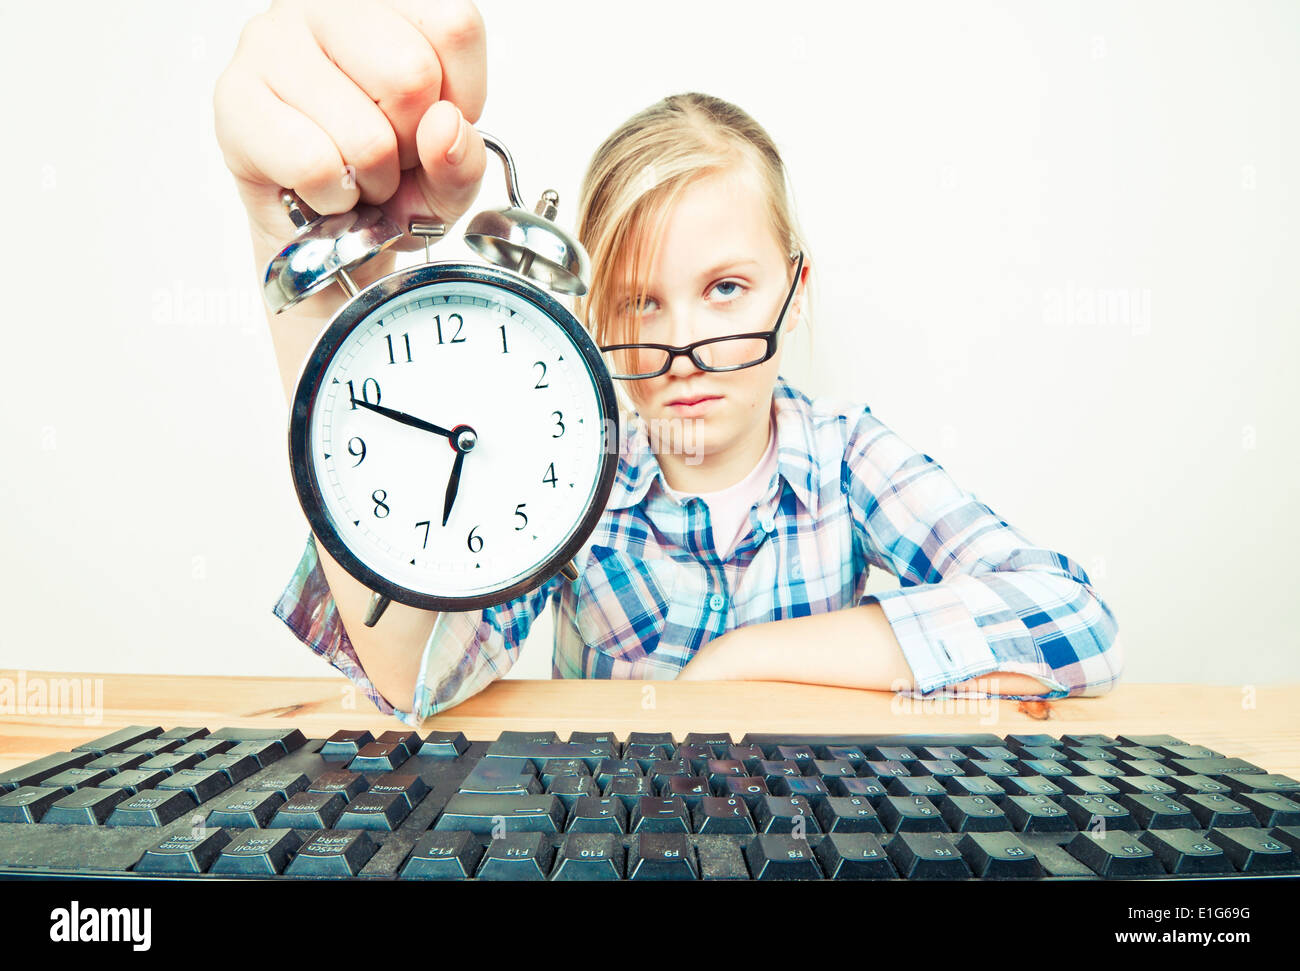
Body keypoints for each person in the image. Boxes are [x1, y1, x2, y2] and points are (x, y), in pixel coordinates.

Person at [215, 1, 1122, 728]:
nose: (683, 348)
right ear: (598, 310)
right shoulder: (573, 477)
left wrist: (744, 661)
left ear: (794, 292)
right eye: (643, 301)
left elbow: (1072, 618)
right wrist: (299, 276)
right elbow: (416, 676)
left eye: (726, 288)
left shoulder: (846, 457)